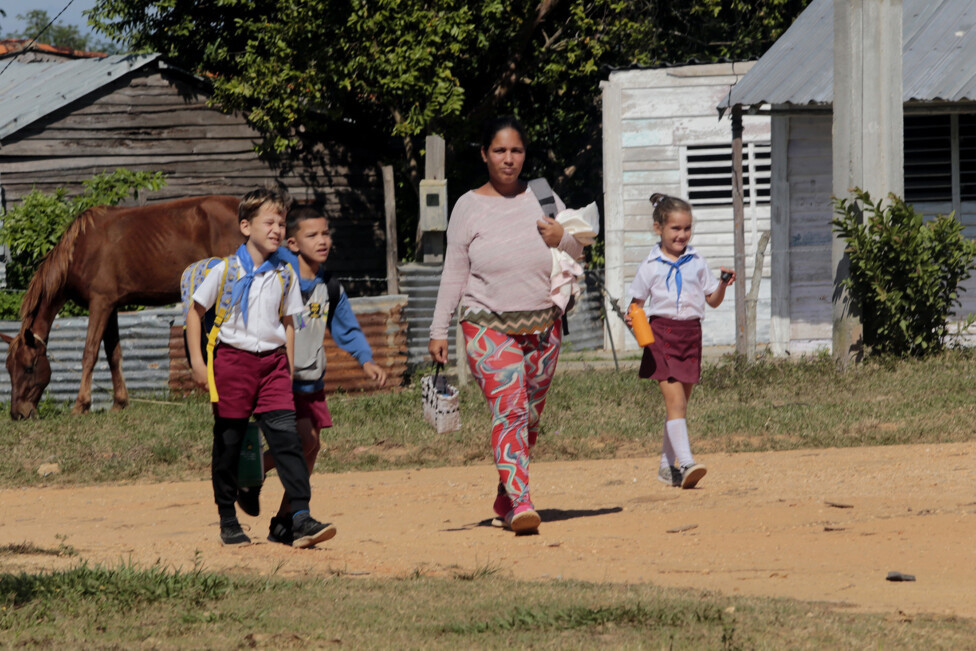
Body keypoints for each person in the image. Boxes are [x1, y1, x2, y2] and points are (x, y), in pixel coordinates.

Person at [428, 116, 583, 534]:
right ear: (484, 154)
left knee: (530, 419)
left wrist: (561, 239)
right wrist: (438, 329)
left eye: (516, 151)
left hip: (544, 325)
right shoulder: (468, 205)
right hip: (485, 323)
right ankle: (521, 502)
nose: (508, 159)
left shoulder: (544, 196)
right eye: (499, 150)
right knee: (510, 409)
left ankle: (505, 491)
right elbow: (453, 271)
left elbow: (579, 249)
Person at [186, 187, 337, 548]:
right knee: (229, 442)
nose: (276, 228)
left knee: (289, 440)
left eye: (281, 222)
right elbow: (195, 314)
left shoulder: (284, 274)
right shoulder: (224, 270)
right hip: (231, 363)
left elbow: (287, 323)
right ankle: (227, 518)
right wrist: (197, 363)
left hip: (272, 366)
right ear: (245, 226)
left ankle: (299, 517)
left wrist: (285, 366)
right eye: (268, 221)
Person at [262, 205, 389, 545]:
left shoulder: (330, 287)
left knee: (311, 448)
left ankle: (284, 522)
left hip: (311, 382)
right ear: (292, 242)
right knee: (305, 441)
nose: (322, 240)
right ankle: (256, 472)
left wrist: (366, 359)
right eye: (312, 235)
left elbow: (346, 328)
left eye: (326, 233)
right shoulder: (277, 278)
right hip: (280, 378)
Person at [624, 193, 735, 489]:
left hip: (690, 335)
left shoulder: (697, 261)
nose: (682, 235)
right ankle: (686, 463)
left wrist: (722, 284)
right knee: (675, 403)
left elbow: (712, 300)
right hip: (662, 336)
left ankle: (665, 467)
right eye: (675, 228)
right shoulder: (650, 265)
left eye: (687, 228)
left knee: (681, 405)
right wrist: (633, 319)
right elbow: (635, 304)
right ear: (658, 228)